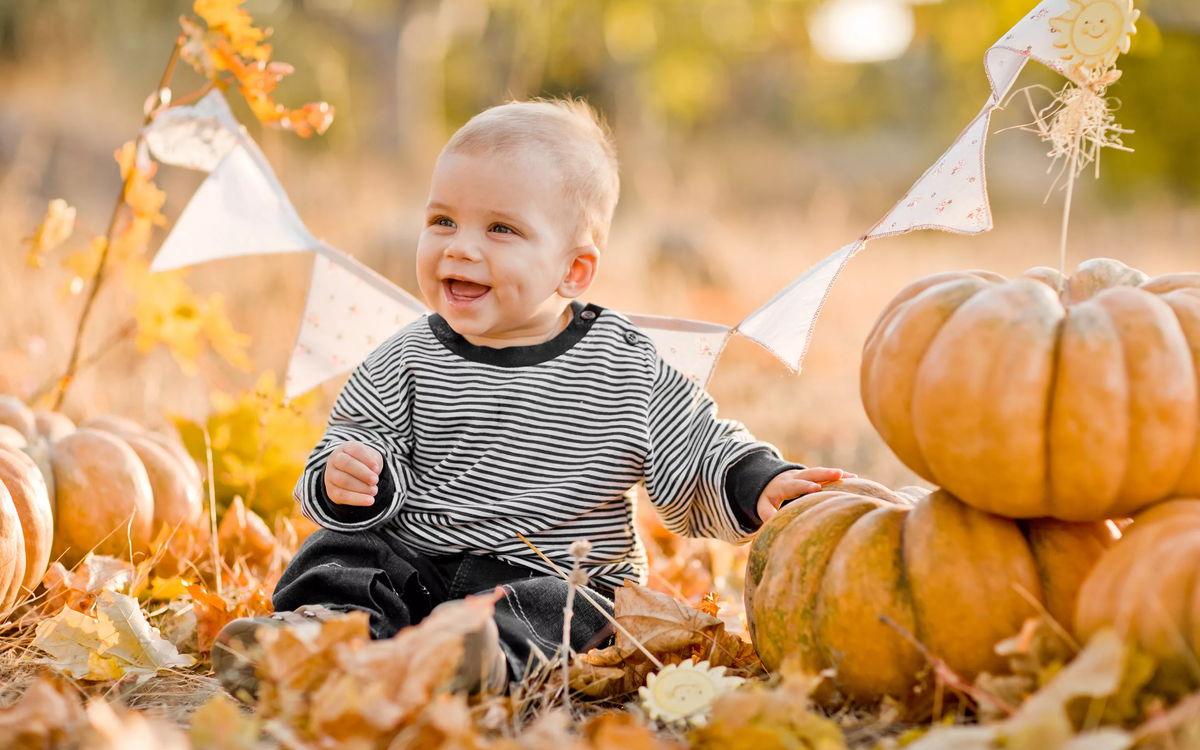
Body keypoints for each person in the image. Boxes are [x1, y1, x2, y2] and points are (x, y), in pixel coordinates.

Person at [213, 98, 852, 702]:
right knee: (341, 555)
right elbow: (352, 444)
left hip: (543, 574)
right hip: (420, 562)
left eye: (501, 228)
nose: (460, 246)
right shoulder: (404, 357)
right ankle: (321, 635)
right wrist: (346, 480)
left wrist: (755, 481)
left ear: (572, 271)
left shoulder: (622, 363)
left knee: (576, 605)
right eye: (442, 220)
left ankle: (477, 660)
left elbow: (698, 442)